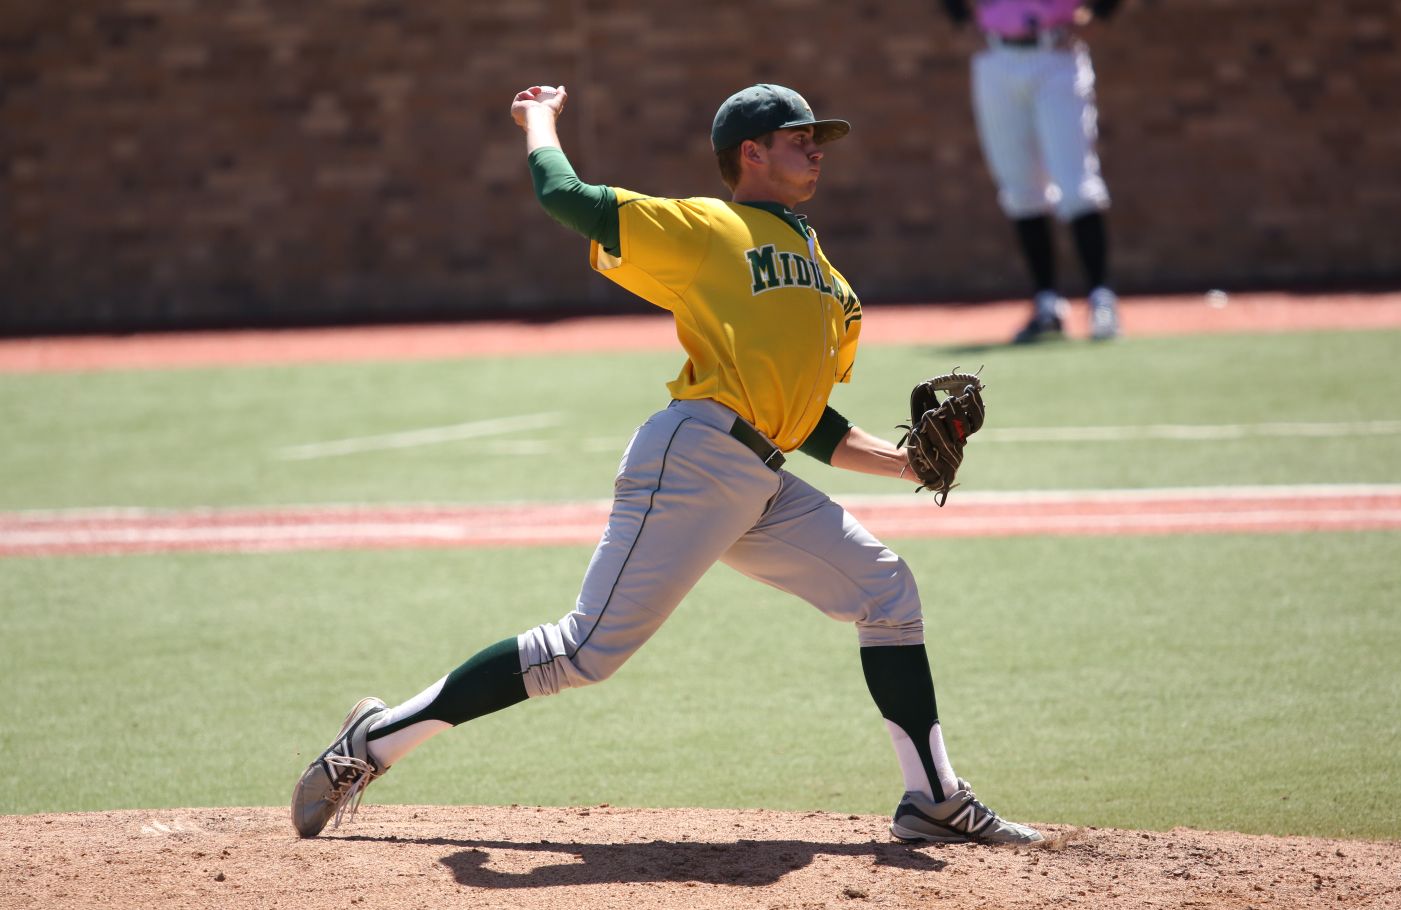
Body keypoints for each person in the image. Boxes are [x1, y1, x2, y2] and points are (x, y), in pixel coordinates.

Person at [290, 82, 1044, 846]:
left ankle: (933, 799)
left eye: (818, 139)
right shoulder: (709, 229)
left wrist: (907, 465)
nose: (817, 150)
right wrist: (540, 117)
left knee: (887, 593)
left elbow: (803, 417)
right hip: (696, 459)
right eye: (799, 137)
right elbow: (563, 197)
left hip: (758, 478)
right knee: (580, 652)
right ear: (751, 153)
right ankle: (370, 743)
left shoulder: (831, 281)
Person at [940, 0, 1124, 343]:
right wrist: (960, 19)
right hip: (996, 55)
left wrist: (1099, 14)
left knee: (1077, 185)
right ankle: (1047, 304)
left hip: (1056, 53)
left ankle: (1101, 298)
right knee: (1019, 187)